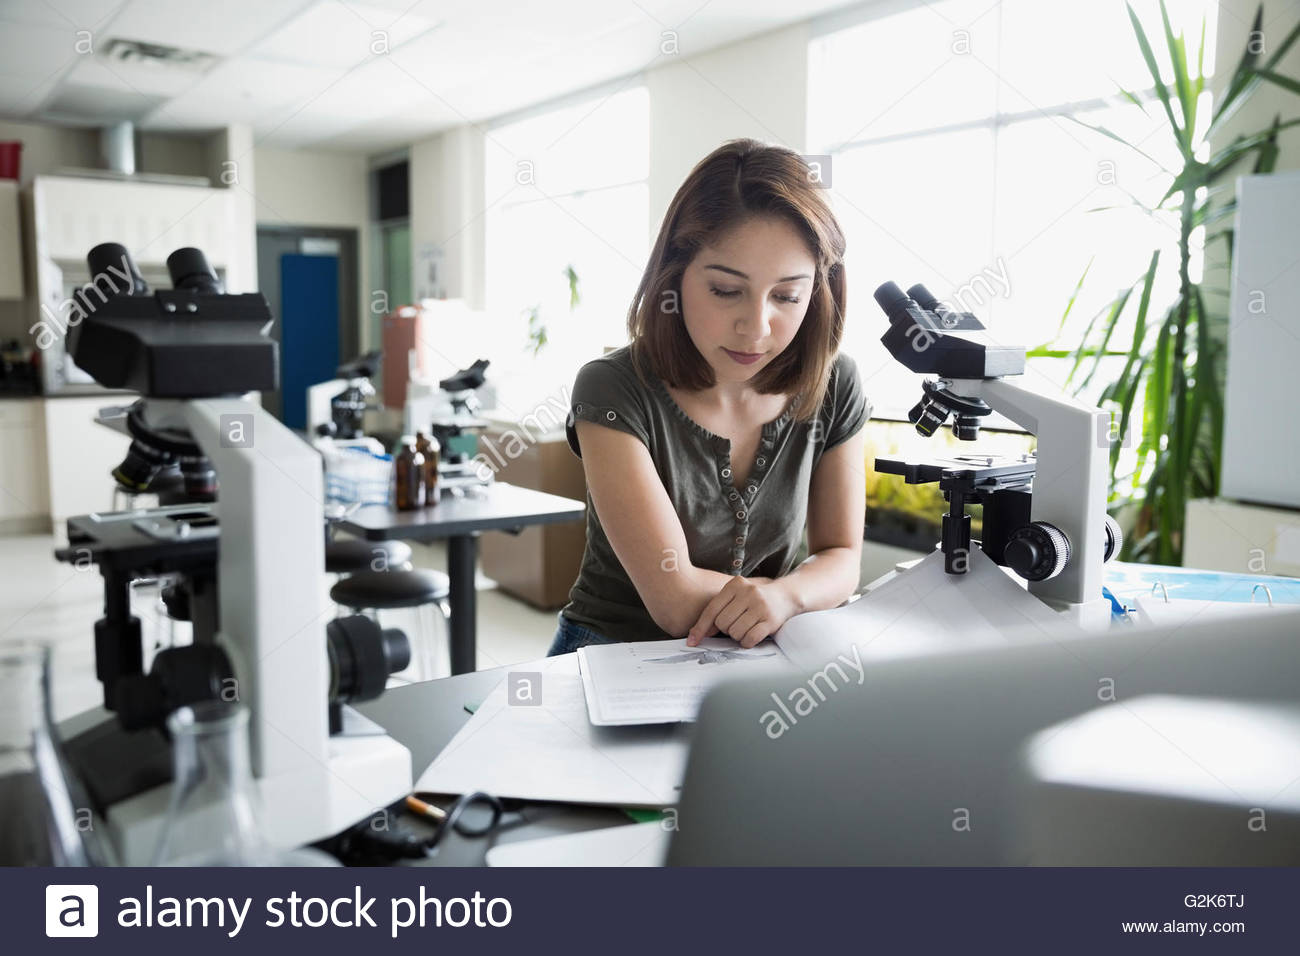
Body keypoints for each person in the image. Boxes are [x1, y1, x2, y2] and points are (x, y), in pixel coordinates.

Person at [548, 138, 869, 656]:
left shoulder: (836, 385)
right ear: (674, 276)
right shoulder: (613, 386)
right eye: (725, 290)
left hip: (756, 655)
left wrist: (786, 596)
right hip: (610, 653)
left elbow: (842, 557)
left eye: (787, 295)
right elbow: (673, 602)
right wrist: (793, 597)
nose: (756, 327)